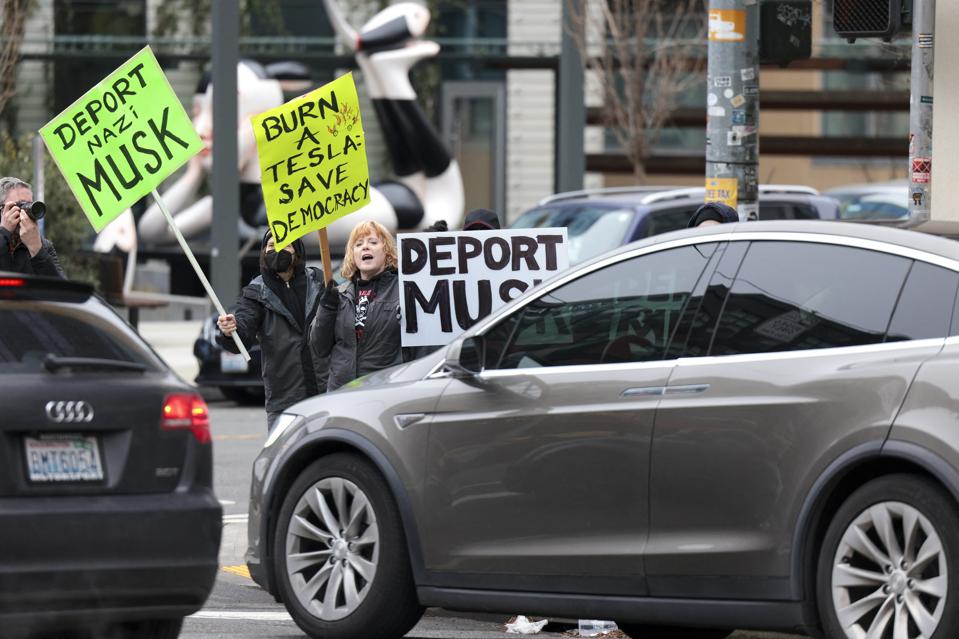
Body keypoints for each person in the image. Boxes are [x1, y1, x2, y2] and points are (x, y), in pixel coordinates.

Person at [216, 229, 325, 430]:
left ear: (297, 252)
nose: (277, 249)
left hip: (327, 393)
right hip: (284, 398)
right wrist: (230, 330)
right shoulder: (256, 292)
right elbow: (243, 327)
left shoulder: (319, 281)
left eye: (286, 244)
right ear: (264, 252)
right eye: (272, 245)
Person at [311, 220, 403, 392]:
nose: (365, 247)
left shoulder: (404, 290)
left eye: (373, 242)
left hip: (384, 391)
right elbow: (318, 348)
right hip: (342, 392)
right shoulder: (339, 294)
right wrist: (326, 308)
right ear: (352, 254)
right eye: (358, 244)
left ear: (387, 251)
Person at [0, 177, 65, 278]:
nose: (25, 212)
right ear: (1, 209)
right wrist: (4, 233)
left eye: (29, 205)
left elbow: (61, 291)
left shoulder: (43, 245)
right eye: (20, 205)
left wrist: (37, 250)